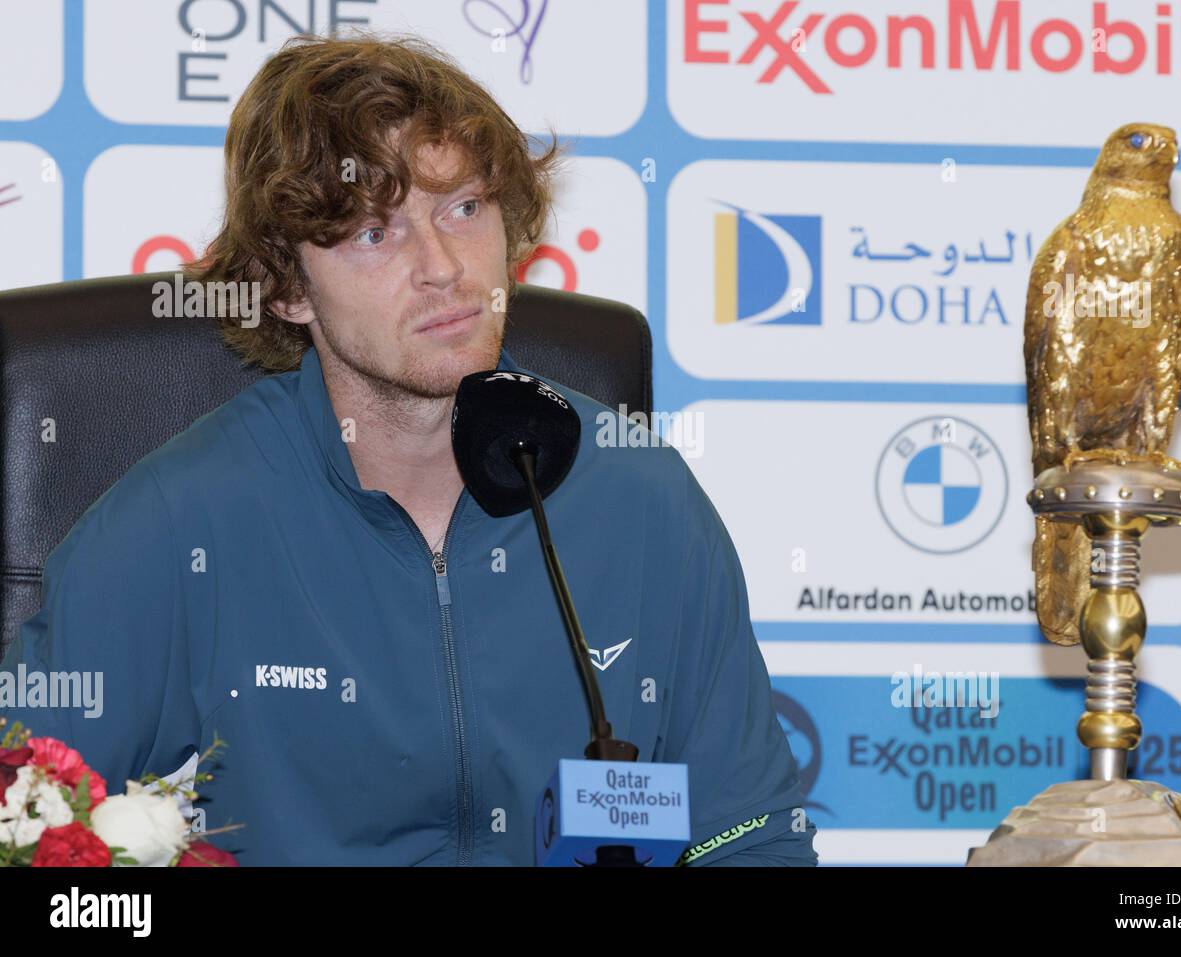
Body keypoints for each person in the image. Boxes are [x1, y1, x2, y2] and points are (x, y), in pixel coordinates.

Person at [0, 33, 816, 866]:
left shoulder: (642, 495)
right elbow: (16, 813)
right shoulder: (181, 523)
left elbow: (751, 836)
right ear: (286, 289)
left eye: (464, 207)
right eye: (374, 234)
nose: (444, 268)